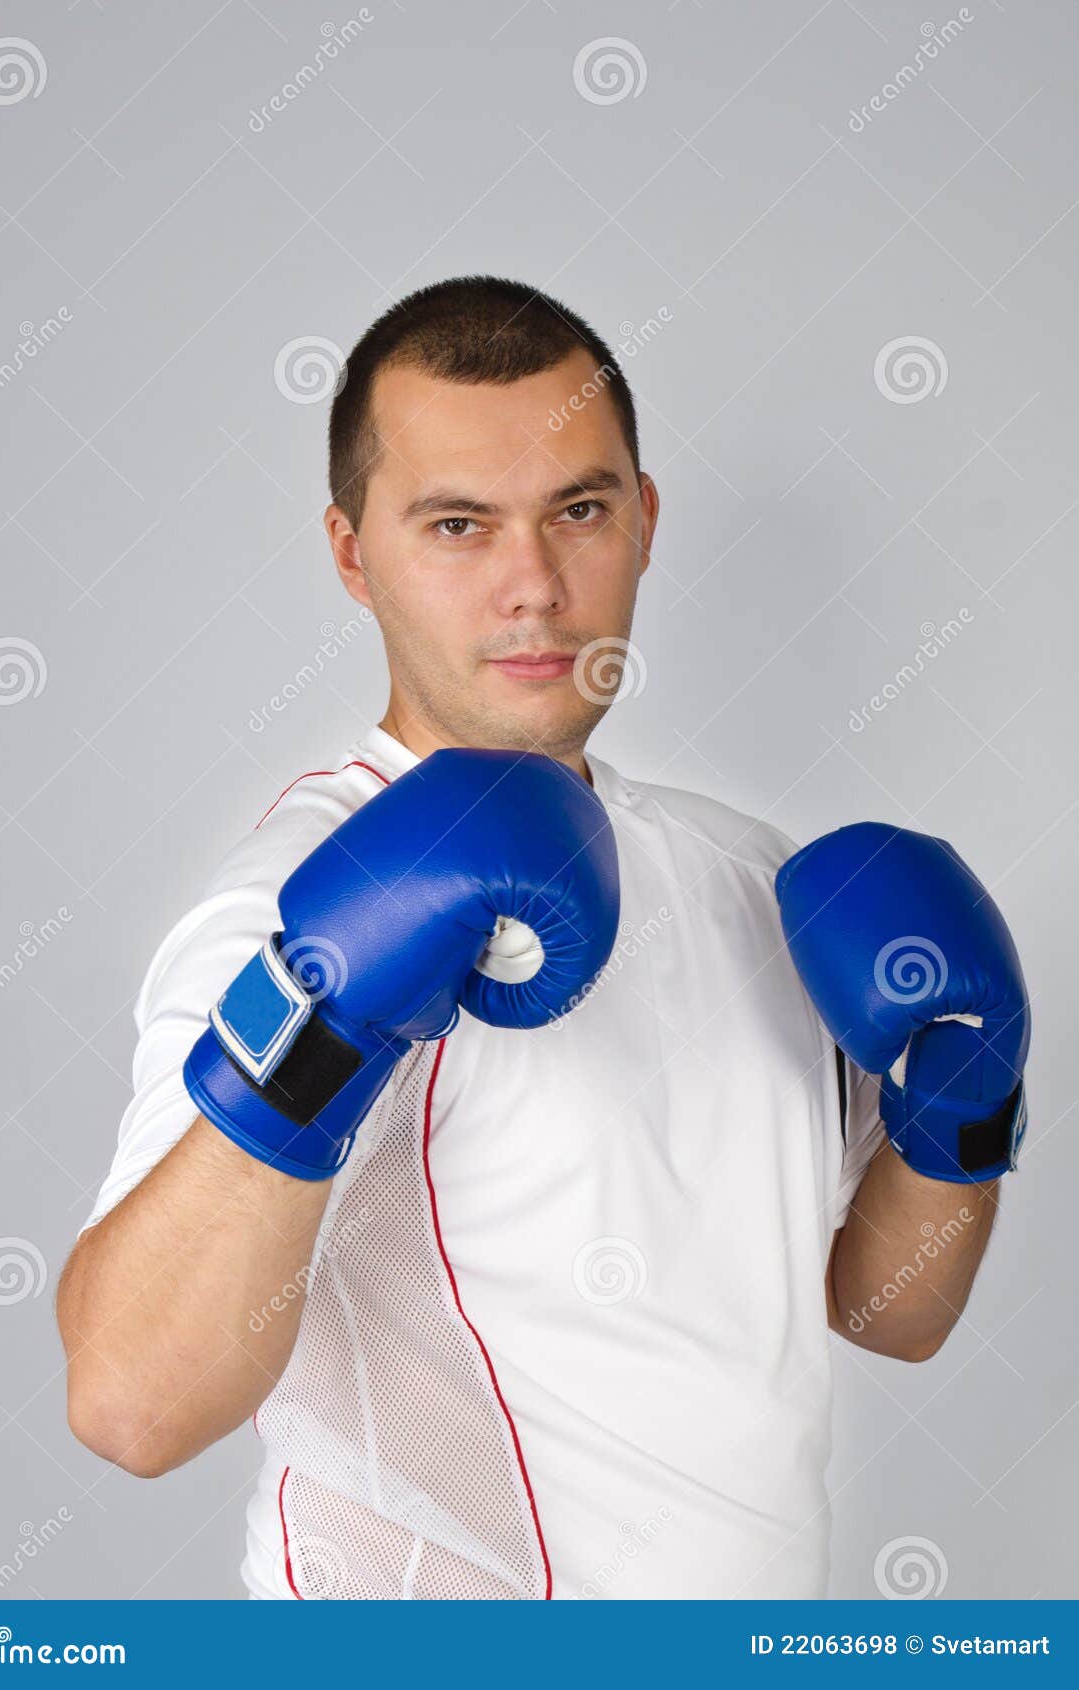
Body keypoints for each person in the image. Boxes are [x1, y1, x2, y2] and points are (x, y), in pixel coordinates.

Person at [57, 276, 1029, 1600]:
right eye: (458, 524)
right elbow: (133, 1403)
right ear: (352, 554)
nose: (533, 587)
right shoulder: (285, 908)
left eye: (578, 509)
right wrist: (323, 1016)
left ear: (642, 519)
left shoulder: (753, 882)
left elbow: (886, 1311)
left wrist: (959, 1112)